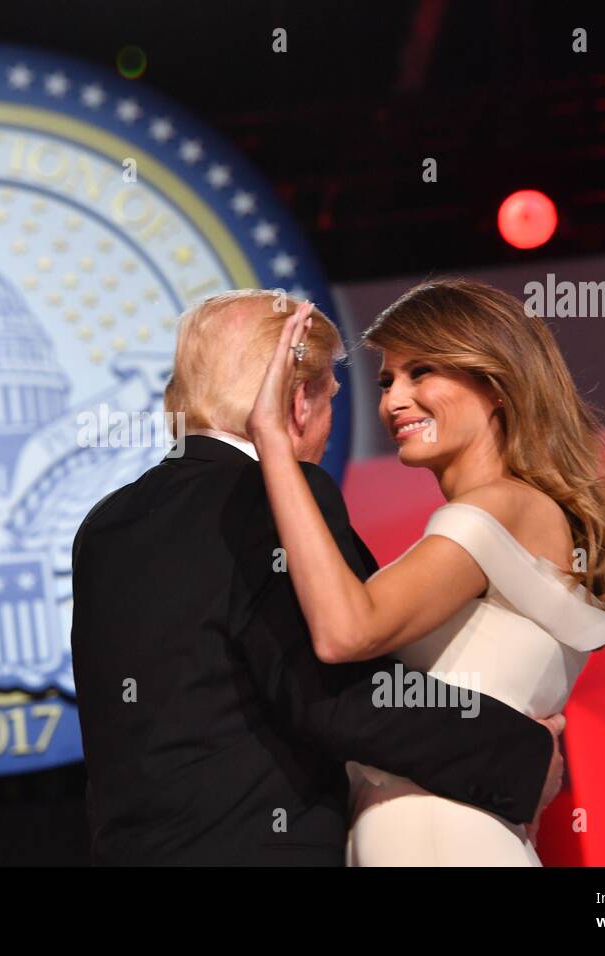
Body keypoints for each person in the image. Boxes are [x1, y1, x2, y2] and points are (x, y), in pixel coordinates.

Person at [70, 288, 566, 866]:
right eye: (331, 396)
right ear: (298, 401)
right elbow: (338, 698)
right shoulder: (275, 501)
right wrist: (525, 754)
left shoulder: (107, 523)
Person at [246, 278, 605, 865]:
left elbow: (345, 630)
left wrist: (274, 446)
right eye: (387, 380)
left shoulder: (494, 509)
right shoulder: (521, 510)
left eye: (422, 372)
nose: (393, 400)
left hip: (438, 836)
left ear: (495, 383)